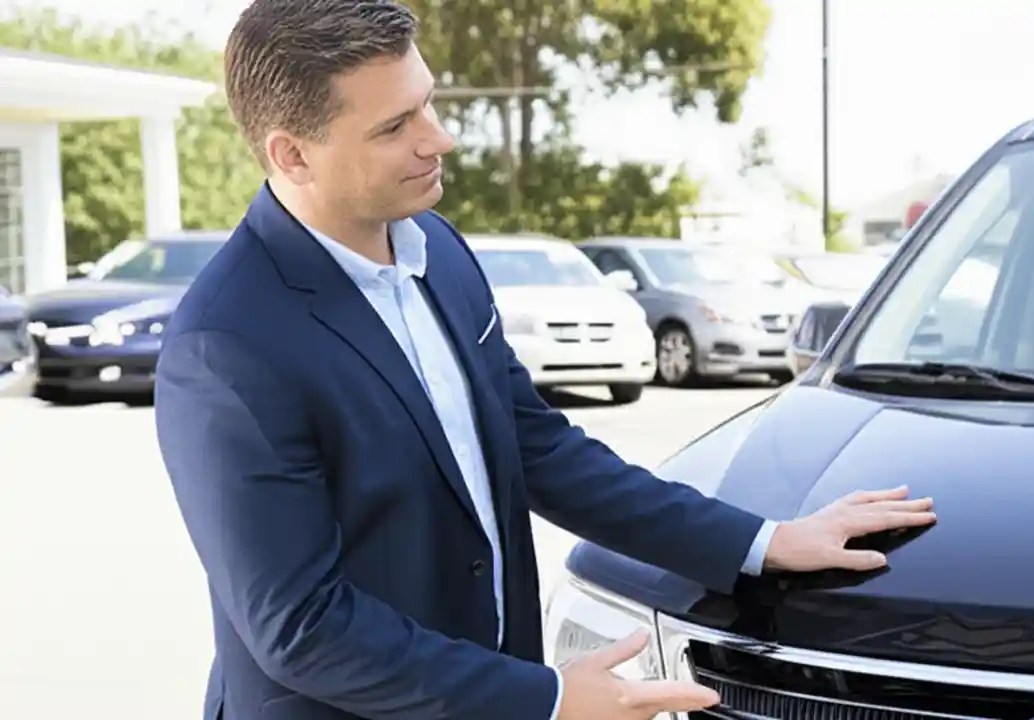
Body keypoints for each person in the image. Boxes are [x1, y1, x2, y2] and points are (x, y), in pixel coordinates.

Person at [153, 1, 937, 719]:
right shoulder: (225, 346)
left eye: (428, 101)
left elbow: (540, 449)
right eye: (395, 126)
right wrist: (551, 697)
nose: (439, 137)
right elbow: (302, 629)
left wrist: (763, 543)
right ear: (292, 155)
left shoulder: (442, 253)